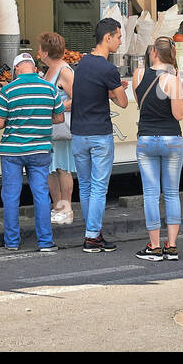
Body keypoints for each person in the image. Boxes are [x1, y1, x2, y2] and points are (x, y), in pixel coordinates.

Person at [0, 52, 66, 252]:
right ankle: (45, 242)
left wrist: (15, 119)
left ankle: (12, 242)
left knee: (11, 195)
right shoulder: (49, 88)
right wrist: (39, 120)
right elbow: (59, 119)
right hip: (40, 149)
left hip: (12, 151)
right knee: (41, 194)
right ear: (34, 68)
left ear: (16, 69)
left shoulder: (8, 90)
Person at [70, 17, 128, 253]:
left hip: (78, 134)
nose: (120, 41)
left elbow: (89, 92)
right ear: (107, 38)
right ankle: (92, 236)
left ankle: (92, 231)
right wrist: (118, 89)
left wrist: (111, 89)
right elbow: (122, 103)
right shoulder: (108, 68)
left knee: (84, 186)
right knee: (98, 187)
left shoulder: (81, 64)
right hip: (99, 134)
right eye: (118, 36)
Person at [132, 37, 183, 261]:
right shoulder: (172, 80)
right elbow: (179, 114)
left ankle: (154, 247)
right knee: (172, 192)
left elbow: (140, 103)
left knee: (151, 194)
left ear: (153, 52)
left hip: (146, 139)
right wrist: (179, 83)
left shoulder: (138, 74)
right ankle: (171, 246)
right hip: (171, 139)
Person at [38, 32, 76, 226]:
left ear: (45, 52)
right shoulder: (48, 71)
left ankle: (67, 208)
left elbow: (77, 99)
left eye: (39, 49)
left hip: (61, 127)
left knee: (63, 168)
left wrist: (57, 107)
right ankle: (57, 206)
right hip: (50, 128)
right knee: (51, 169)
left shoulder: (64, 71)